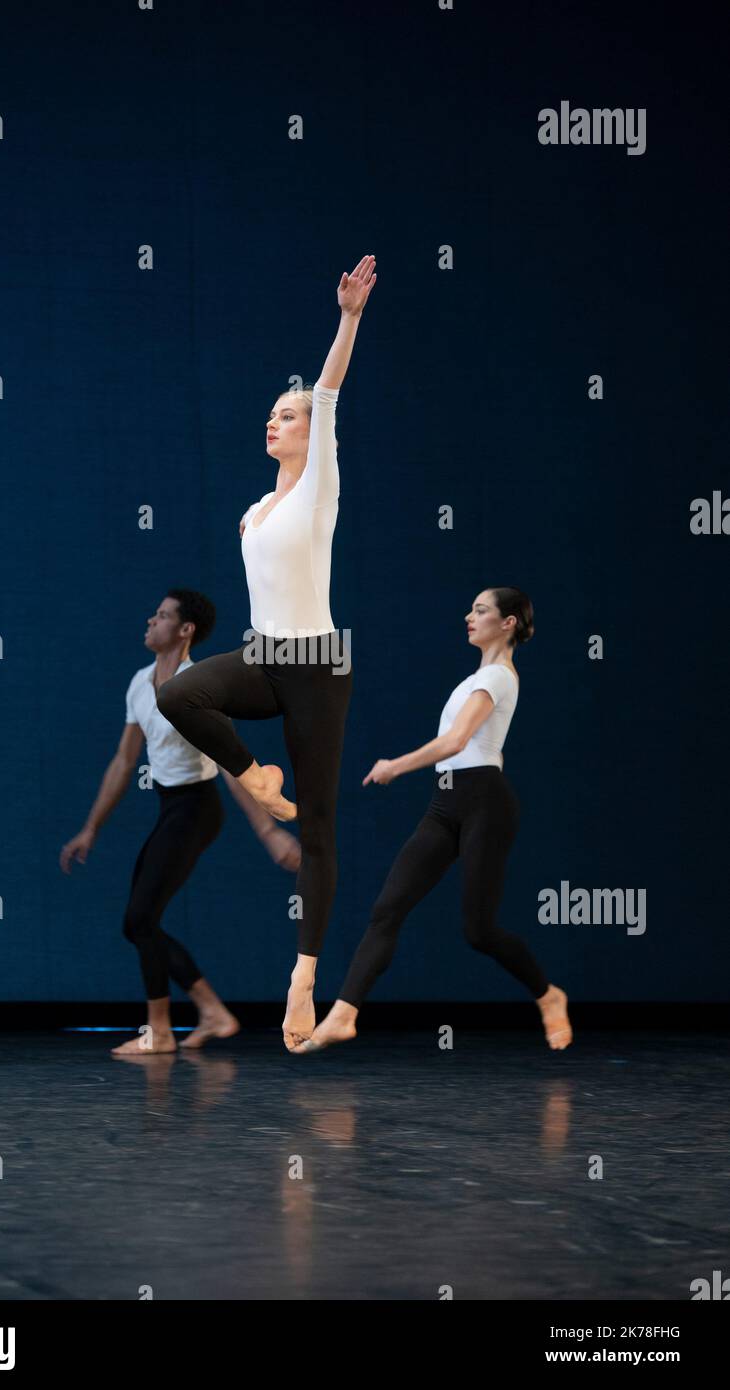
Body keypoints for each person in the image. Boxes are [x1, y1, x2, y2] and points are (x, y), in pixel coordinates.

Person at [157, 255, 377, 1050]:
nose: (274, 421)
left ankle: (303, 980)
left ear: (313, 436)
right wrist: (249, 772)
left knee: (318, 828)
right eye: (272, 416)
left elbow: (327, 394)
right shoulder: (253, 512)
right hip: (262, 657)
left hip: (320, 668)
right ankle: (256, 777)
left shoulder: (321, 482)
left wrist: (348, 318)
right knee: (178, 694)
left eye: (285, 416)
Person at [294, 587, 573, 1054]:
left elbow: (457, 741)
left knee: (478, 931)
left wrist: (394, 766)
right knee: (388, 908)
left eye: (480, 610)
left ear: (507, 623)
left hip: (485, 801)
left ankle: (549, 996)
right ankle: (344, 1014)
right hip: (445, 805)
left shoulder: (500, 677)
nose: (469, 616)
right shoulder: (479, 677)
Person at [60, 589, 301, 1054]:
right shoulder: (139, 682)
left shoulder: (200, 685)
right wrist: (91, 827)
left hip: (196, 808)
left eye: (163, 616)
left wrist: (269, 831)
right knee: (138, 923)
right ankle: (211, 1011)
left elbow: (235, 766)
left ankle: (162, 1031)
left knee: (141, 917)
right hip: (171, 807)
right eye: (154, 614)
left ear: (185, 630)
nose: (151, 621)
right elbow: (122, 762)